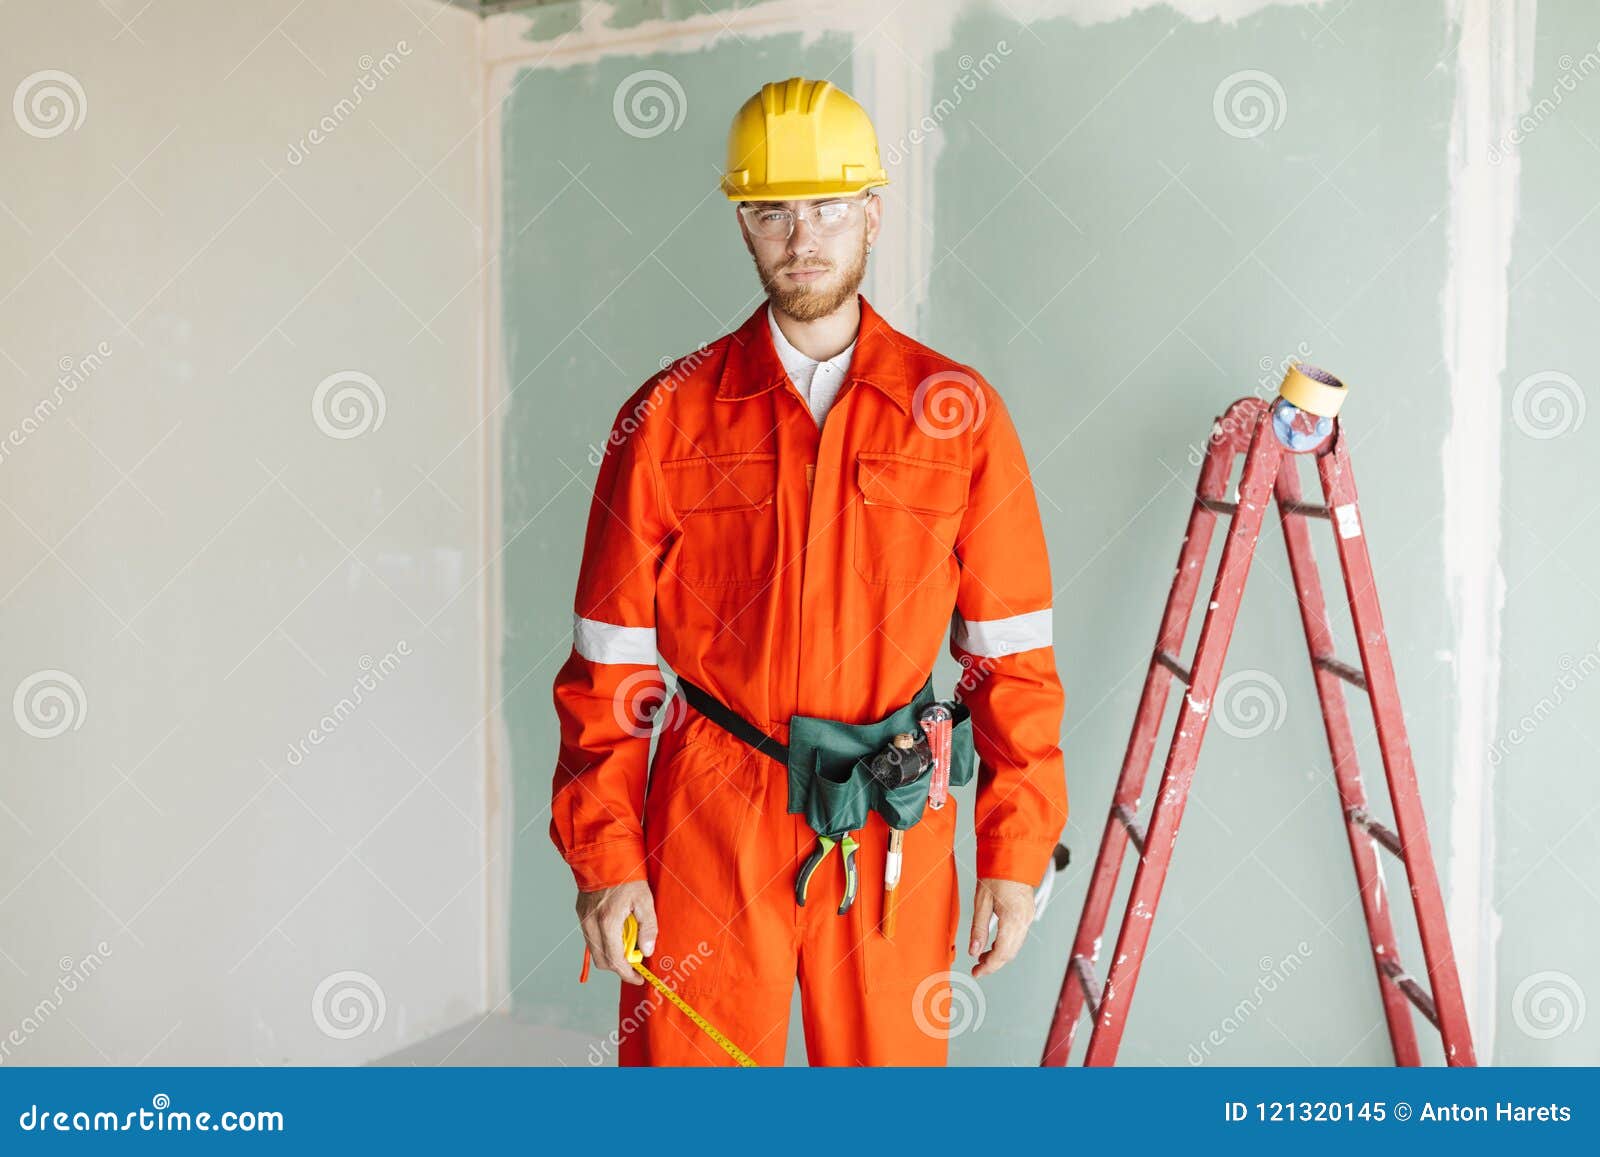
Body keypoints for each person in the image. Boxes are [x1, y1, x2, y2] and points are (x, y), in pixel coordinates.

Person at [550, 76, 1067, 1065]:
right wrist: (607, 854)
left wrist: (1016, 845)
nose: (803, 237)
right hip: (710, 812)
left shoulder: (956, 413)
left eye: (828, 206)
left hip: (891, 809)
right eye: (773, 211)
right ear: (742, 223)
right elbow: (607, 664)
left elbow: (1012, 657)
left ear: (871, 211)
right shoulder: (666, 416)